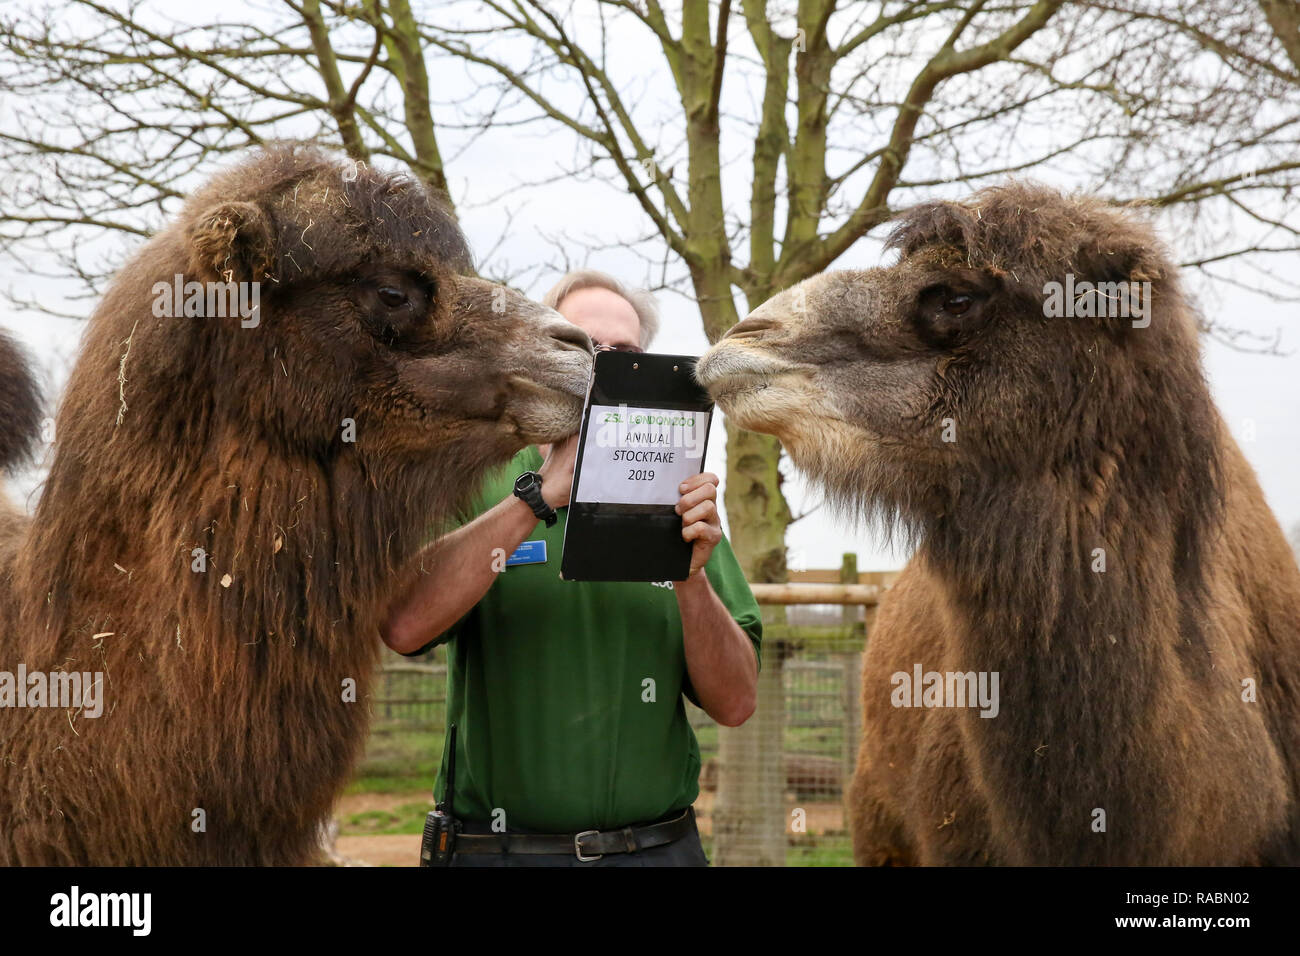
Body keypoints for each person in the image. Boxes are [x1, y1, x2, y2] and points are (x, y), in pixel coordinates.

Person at [381, 269, 761, 866]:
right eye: (587, 346)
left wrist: (690, 580)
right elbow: (403, 626)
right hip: (498, 851)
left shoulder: (682, 502)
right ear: (550, 353)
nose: (608, 362)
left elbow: (736, 704)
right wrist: (537, 499)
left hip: (658, 850)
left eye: (626, 351)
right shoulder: (474, 479)